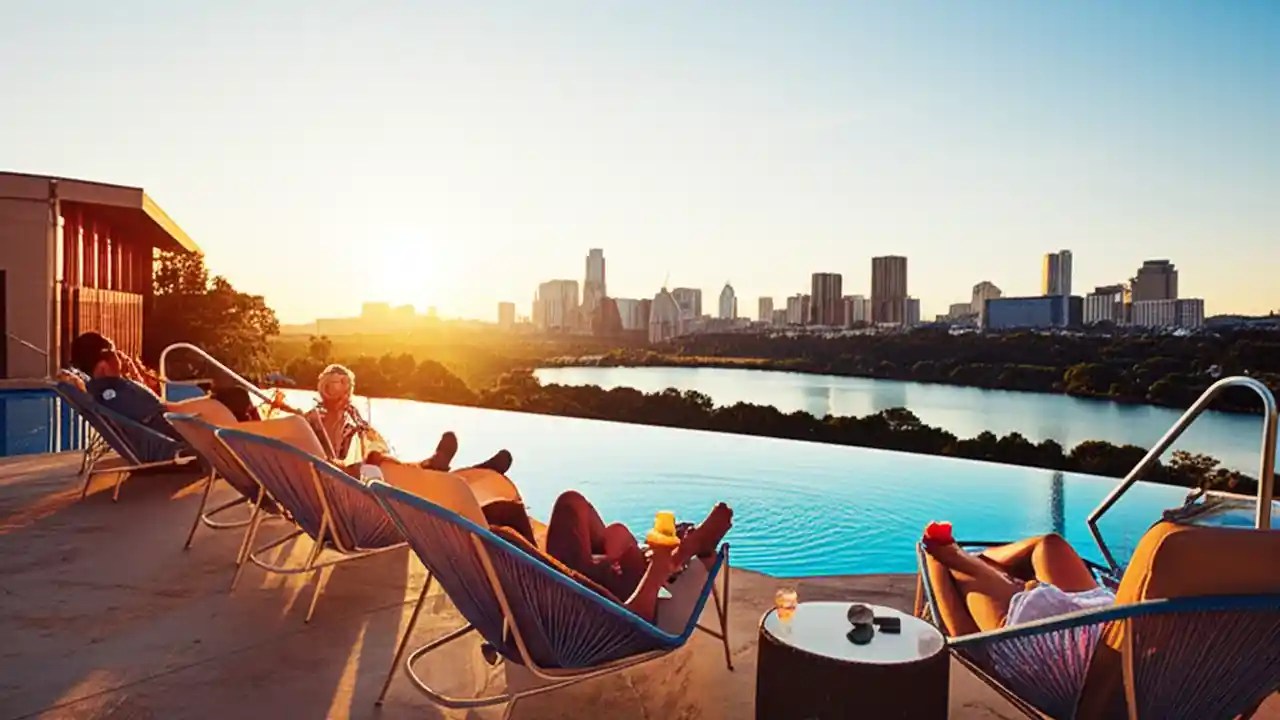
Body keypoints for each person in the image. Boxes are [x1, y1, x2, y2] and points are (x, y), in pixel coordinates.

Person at [480, 491, 733, 622]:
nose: (682, 528)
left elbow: (634, 620)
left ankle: (692, 547)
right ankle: (691, 547)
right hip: (587, 595)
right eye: (683, 529)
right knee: (518, 512)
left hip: (582, 598)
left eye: (685, 530)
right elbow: (634, 621)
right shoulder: (652, 557)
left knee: (565, 504)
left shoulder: (662, 563)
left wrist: (663, 558)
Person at [304, 363, 512, 473]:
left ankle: (470, 474)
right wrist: (333, 416)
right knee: (375, 461)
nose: (340, 392)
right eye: (331, 386)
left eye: (346, 386)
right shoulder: (312, 421)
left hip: (363, 482)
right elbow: (323, 461)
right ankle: (430, 466)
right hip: (348, 487)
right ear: (322, 388)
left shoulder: (351, 423)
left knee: (378, 460)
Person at [921, 522, 1115, 631]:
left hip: (1058, 647)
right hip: (1105, 612)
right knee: (1050, 544)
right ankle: (979, 558)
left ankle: (961, 559)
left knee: (955, 568)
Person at [68, 331, 259, 440]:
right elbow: (154, 413)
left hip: (171, 420)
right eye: (116, 354)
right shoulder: (112, 393)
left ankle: (258, 442)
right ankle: (257, 447)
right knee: (237, 398)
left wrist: (131, 373)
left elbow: (146, 409)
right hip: (177, 430)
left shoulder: (108, 391)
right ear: (103, 366)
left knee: (235, 397)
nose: (120, 357)